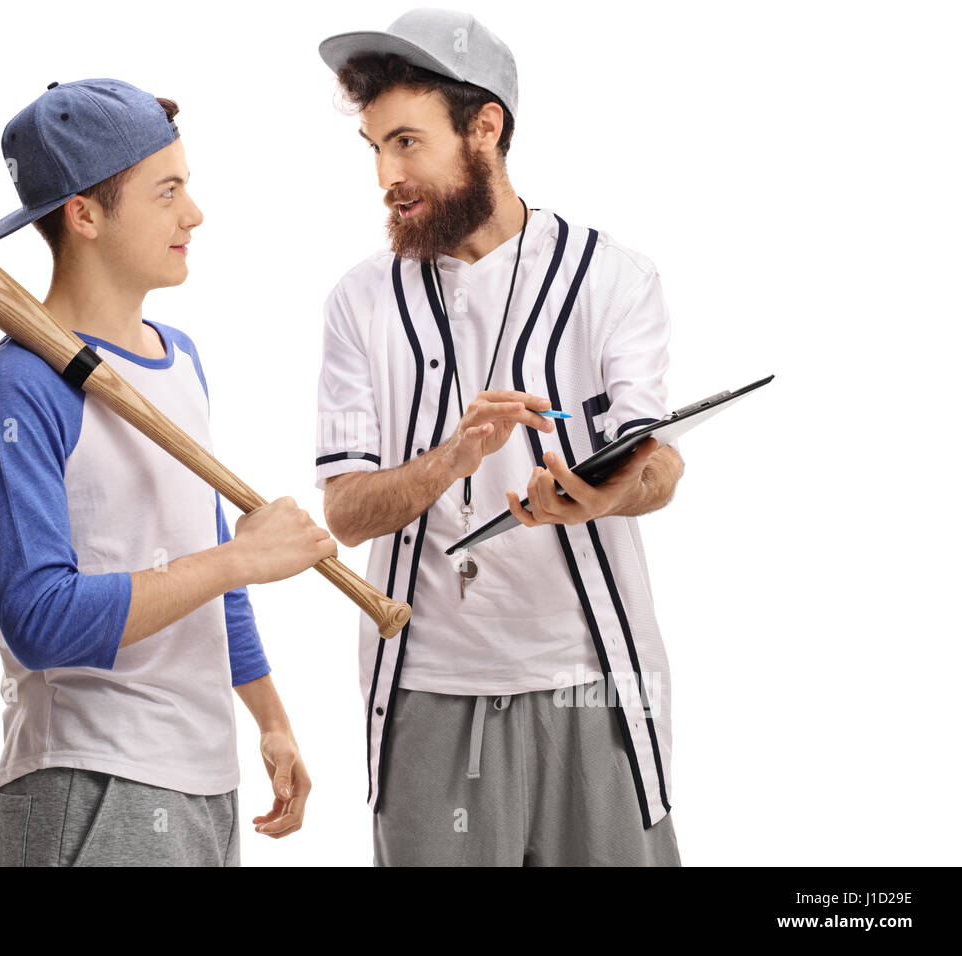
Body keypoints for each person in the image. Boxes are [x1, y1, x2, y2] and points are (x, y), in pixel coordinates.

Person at [314, 10, 685, 866]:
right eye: (374, 148)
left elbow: (658, 462)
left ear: (487, 127)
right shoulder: (358, 301)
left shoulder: (612, 275)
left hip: (590, 687)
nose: (386, 176)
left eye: (407, 142)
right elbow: (347, 513)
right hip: (426, 694)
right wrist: (453, 458)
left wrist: (607, 492)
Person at [0, 78, 334, 866]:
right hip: (88, 781)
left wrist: (268, 717)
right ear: (85, 214)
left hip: (204, 781)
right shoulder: (19, 385)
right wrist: (241, 556)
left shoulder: (182, 361)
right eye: (167, 193)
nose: (193, 214)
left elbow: (205, 569)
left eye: (187, 187)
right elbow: (39, 621)